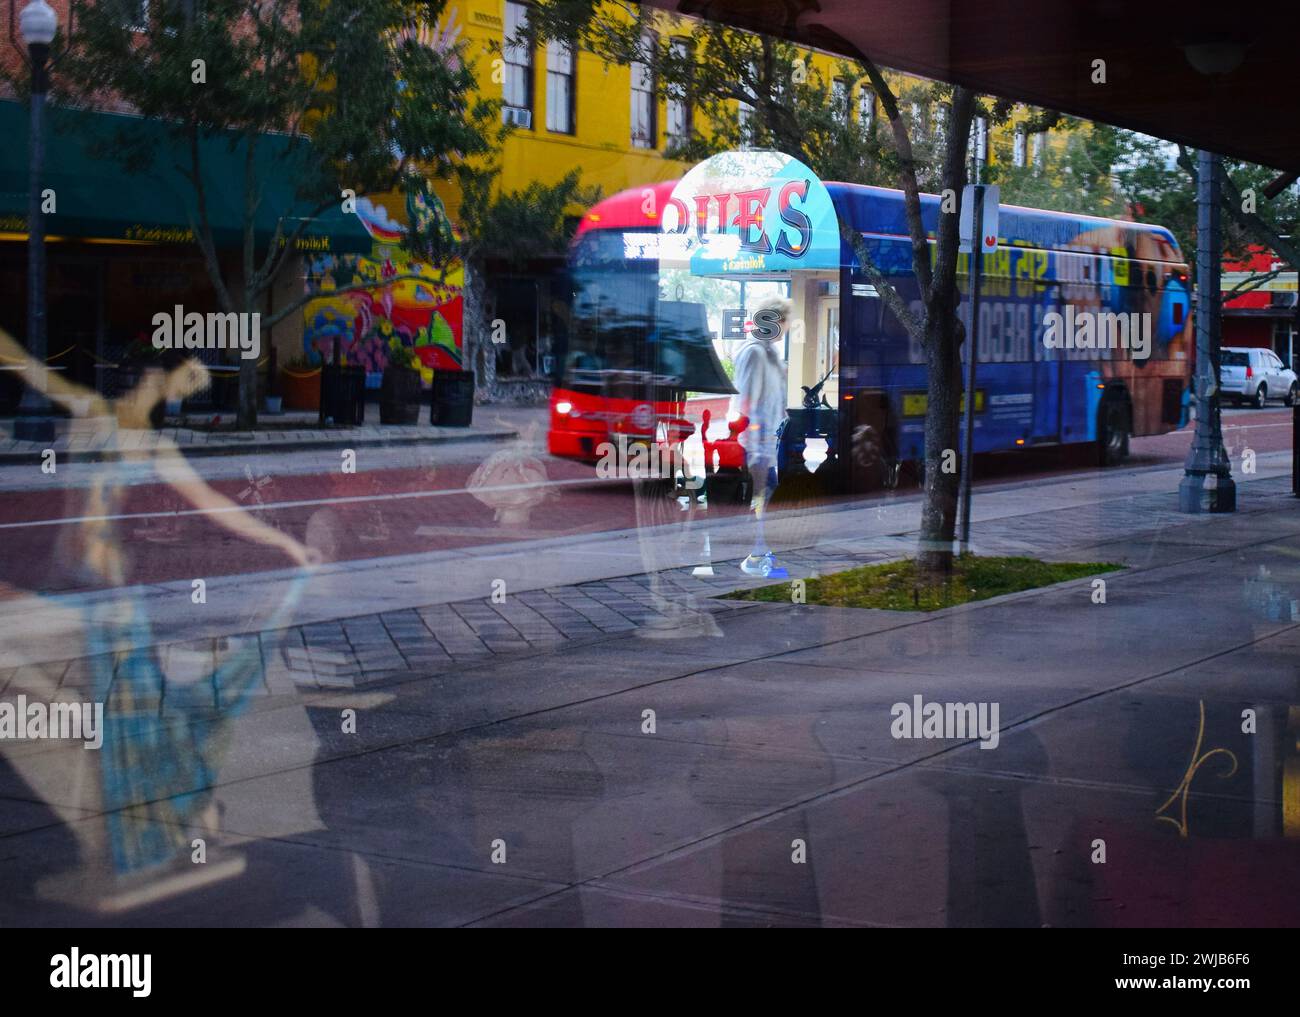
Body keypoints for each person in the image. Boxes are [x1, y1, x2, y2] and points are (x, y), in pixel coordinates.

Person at [730, 294, 791, 577]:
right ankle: (755, 551)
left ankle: (759, 549)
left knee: (767, 493)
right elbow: (748, 400)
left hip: (767, 439)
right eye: (785, 321)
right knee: (762, 494)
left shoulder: (770, 353)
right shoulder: (755, 352)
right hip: (755, 440)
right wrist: (755, 444)